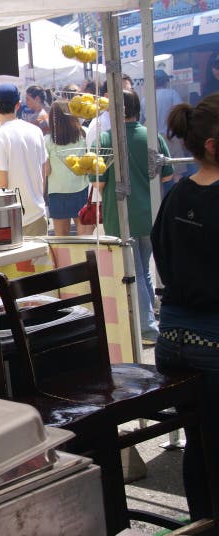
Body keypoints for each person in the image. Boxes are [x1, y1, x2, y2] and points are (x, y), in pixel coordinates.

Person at [152, 93, 219, 524]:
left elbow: (163, 258)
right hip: (212, 346)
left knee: (200, 442)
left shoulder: (176, 197)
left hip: (172, 343)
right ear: (213, 144)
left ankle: (200, 523)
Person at [94, 89, 172, 345]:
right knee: (144, 273)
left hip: (120, 216)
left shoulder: (106, 140)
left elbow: (100, 184)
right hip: (151, 214)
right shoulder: (153, 137)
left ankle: (147, 329)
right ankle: (148, 322)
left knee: (135, 274)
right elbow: (168, 175)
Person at [0, 83, 48, 237]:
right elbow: (45, 168)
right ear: (18, 105)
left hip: (12, 218)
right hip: (37, 211)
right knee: (40, 261)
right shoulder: (35, 131)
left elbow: (1, 181)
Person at [44, 101, 92, 236]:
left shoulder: (47, 141)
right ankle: (83, 258)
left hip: (57, 193)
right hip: (81, 189)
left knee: (61, 238)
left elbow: (47, 171)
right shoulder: (84, 134)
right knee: (84, 237)